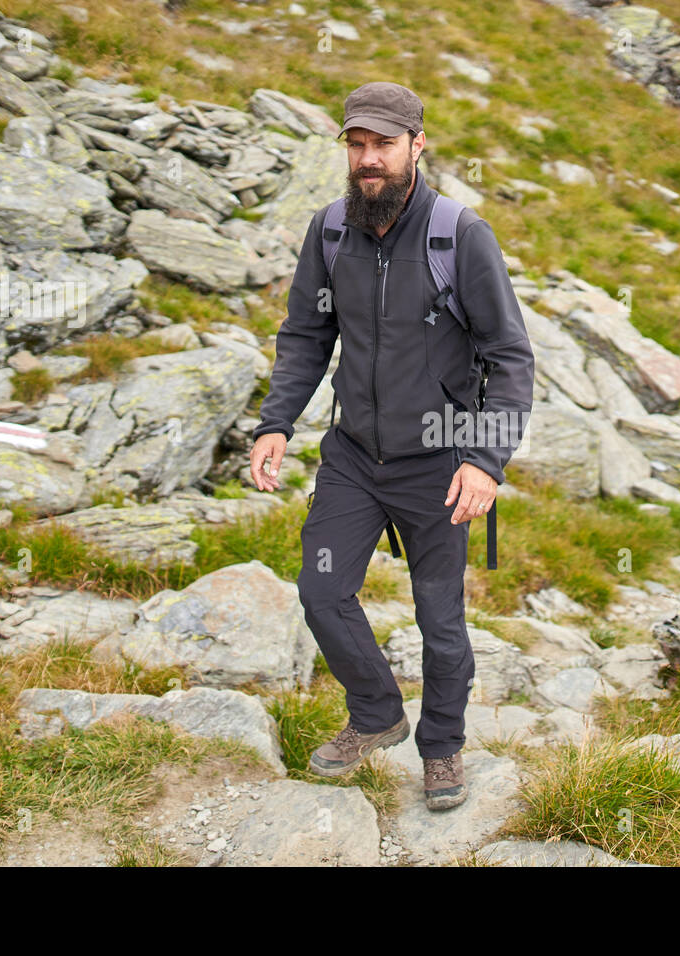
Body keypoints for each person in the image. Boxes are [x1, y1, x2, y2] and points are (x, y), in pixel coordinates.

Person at [248, 82, 535, 811]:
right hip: (352, 455)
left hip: (441, 463)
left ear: (416, 144)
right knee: (320, 590)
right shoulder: (331, 231)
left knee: (440, 620)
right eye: (356, 144)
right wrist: (276, 422)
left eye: (382, 144)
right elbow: (307, 337)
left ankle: (441, 749)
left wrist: (485, 460)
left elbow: (509, 356)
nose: (368, 159)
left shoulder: (459, 235)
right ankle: (376, 712)